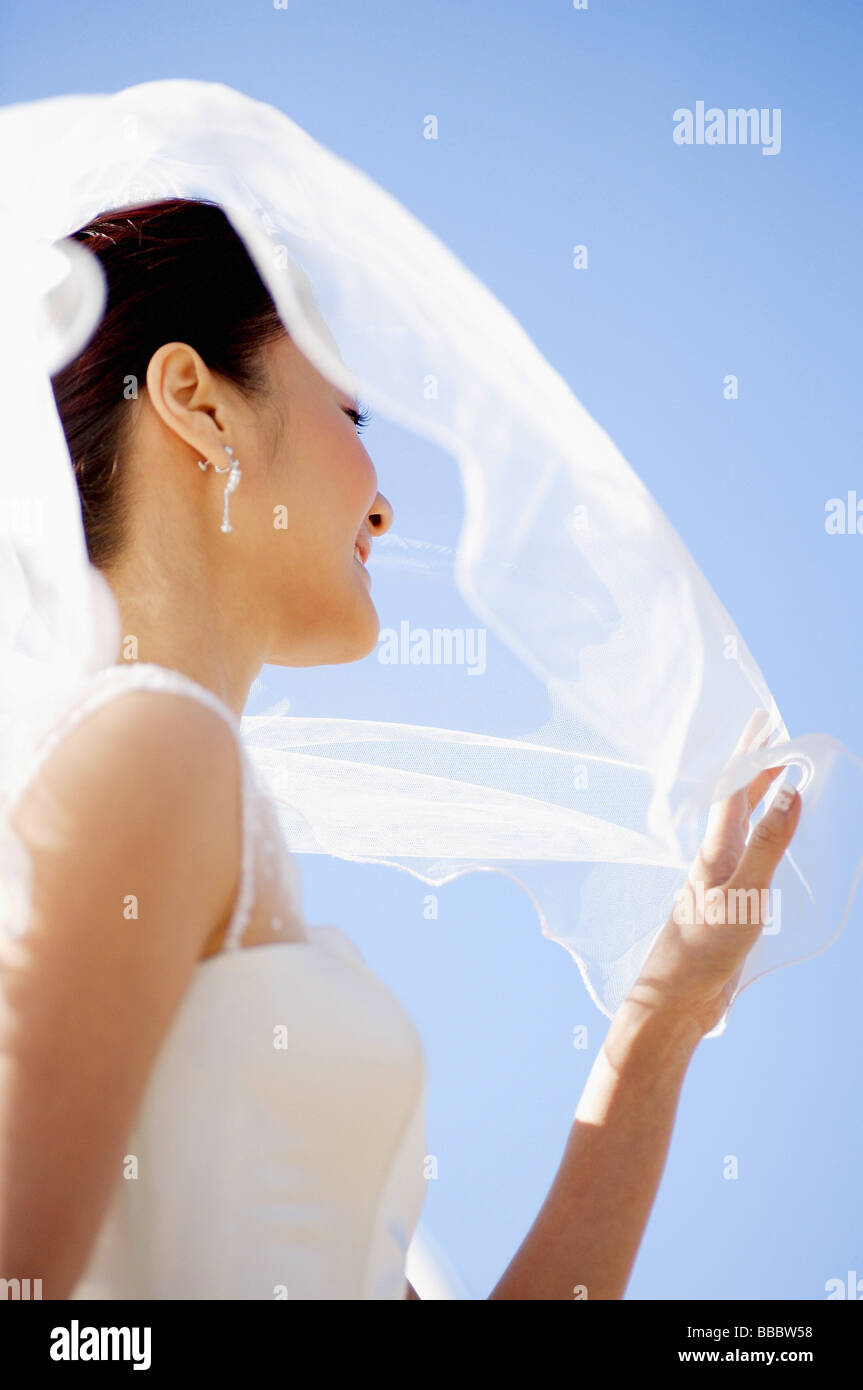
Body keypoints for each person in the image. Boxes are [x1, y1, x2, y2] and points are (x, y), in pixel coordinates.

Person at [0, 198, 800, 1301]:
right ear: (195, 402)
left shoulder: (170, 774)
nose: (381, 512)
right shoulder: (154, 746)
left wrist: (657, 1027)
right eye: (350, 414)